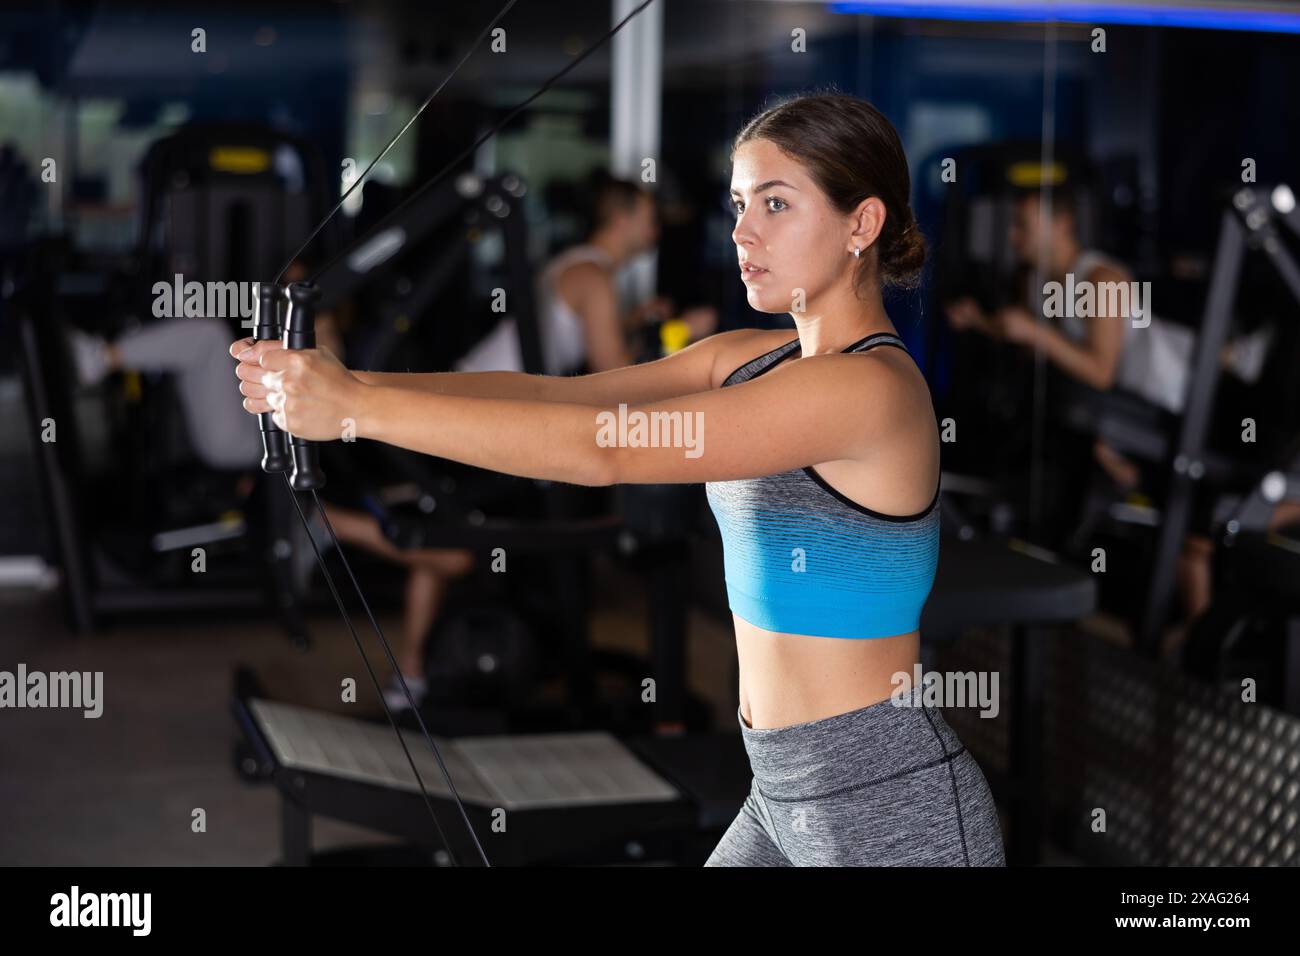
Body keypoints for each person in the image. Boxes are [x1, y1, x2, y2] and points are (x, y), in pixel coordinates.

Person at [233, 91, 1006, 866]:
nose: (743, 231)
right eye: (739, 204)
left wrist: (355, 411)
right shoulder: (749, 358)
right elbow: (556, 395)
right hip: (777, 794)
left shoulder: (865, 389)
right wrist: (345, 383)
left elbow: (605, 449)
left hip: (887, 808)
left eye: (776, 203)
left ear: (861, 225)